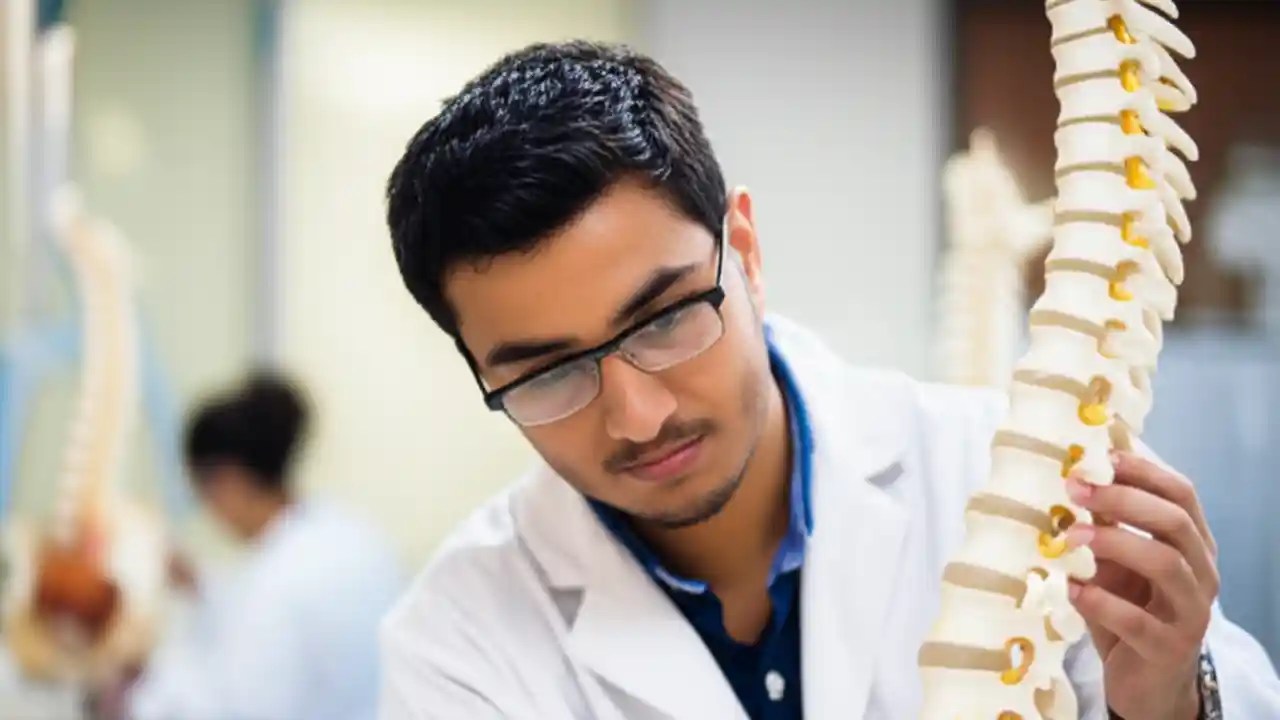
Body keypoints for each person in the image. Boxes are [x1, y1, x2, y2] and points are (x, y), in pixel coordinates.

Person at [377, 41, 1280, 719]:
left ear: (748, 251)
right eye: (546, 375)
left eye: (664, 319)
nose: (639, 416)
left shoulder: (1009, 470)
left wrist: (1170, 694)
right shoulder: (458, 642)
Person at [123, 372, 403, 720]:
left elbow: (233, 707)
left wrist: (133, 677)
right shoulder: (353, 536)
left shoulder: (274, 585)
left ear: (228, 480)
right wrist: (200, 584)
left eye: (201, 493)